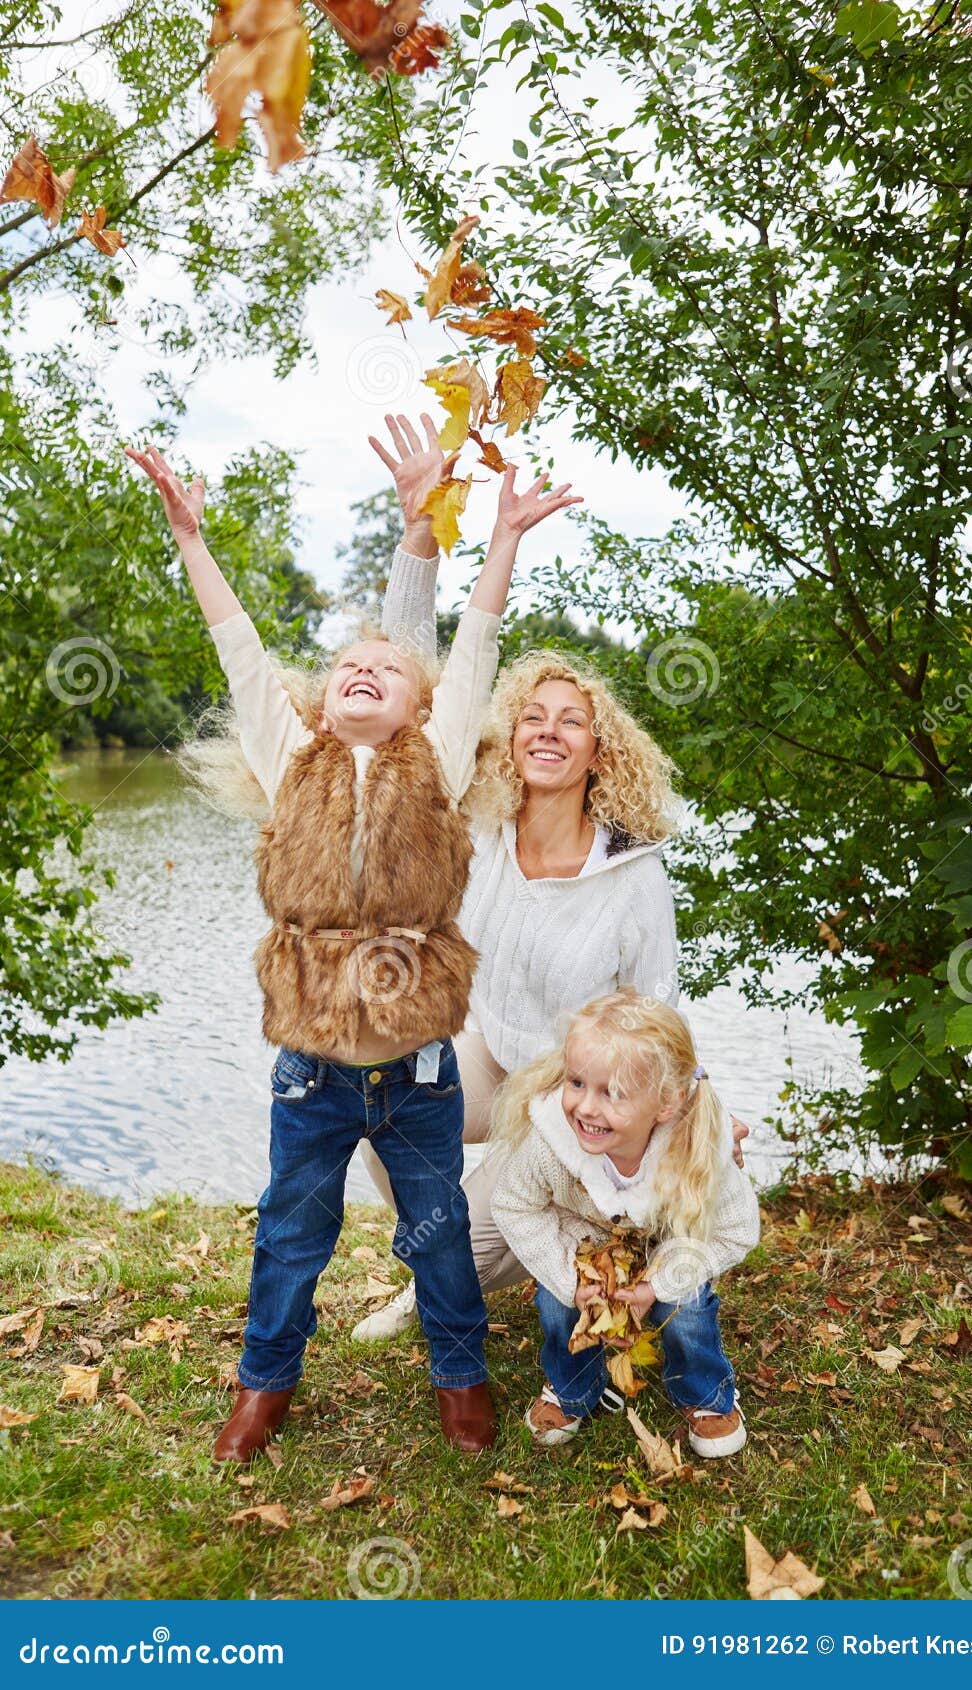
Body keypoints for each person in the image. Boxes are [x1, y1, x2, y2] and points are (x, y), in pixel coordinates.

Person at [125, 427, 581, 1461]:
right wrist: (189, 537)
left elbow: (474, 643)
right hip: (310, 1073)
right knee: (289, 1238)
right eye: (345, 667)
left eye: (385, 666)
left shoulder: (443, 765)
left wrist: (500, 537)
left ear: (423, 709)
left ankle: (460, 1379)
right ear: (322, 703)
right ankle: (262, 1387)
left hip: (420, 1075)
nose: (363, 670)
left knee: (444, 1244)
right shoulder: (291, 758)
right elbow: (236, 643)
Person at [354, 414, 749, 1345]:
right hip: (495, 1050)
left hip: (579, 1084)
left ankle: (533, 1254)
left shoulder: (631, 877)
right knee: (370, 1091)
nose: (546, 729)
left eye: (570, 721)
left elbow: (659, 1012)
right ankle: (431, 1263)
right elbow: (413, 680)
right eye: (531, 715)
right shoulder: (479, 825)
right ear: (510, 736)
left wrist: (691, 1111)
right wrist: (421, 533)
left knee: (488, 1231)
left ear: (597, 753)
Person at [489, 989, 759, 1453]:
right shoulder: (550, 1141)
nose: (586, 1108)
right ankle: (572, 1387)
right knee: (560, 1309)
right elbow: (515, 1204)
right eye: (576, 1083)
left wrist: (657, 1286)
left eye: (611, 1093)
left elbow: (736, 1230)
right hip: (586, 1246)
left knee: (688, 1313)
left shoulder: (696, 1146)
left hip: (668, 1248)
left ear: (666, 1104)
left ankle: (705, 1393)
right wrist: (566, 1276)